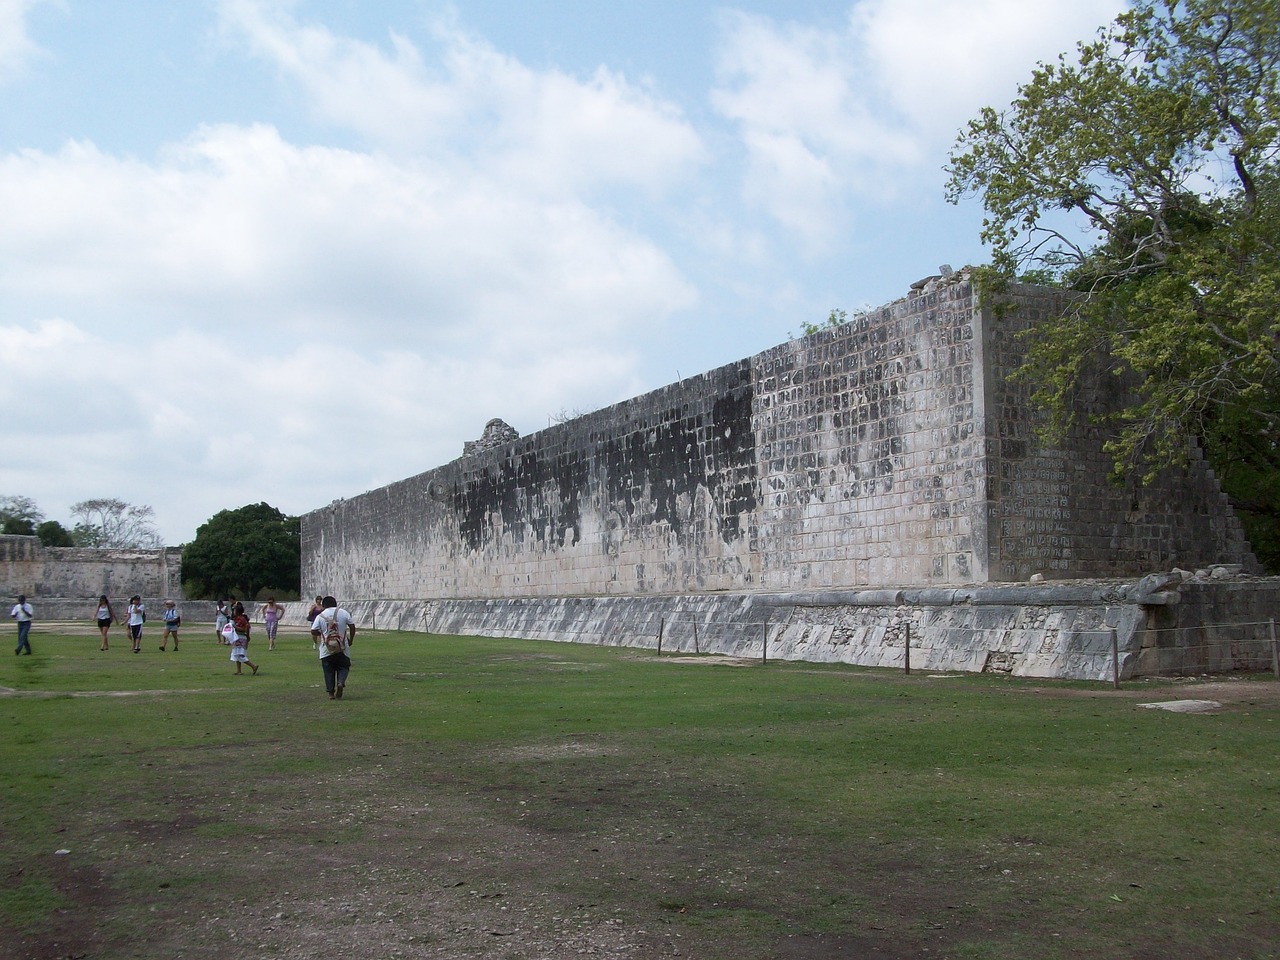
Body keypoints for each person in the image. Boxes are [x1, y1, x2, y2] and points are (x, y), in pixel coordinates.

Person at [310, 595, 355, 700]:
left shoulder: (321, 616)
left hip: (326, 647)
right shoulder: (343, 613)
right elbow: (352, 626)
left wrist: (322, 634)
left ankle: (331, 693)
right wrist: (351, 640)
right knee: (344, 666)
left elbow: (313, 630)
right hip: (342, 646)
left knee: (328, 670)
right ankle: (340, 682)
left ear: (324, 605)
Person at [228, 602, 258, 675]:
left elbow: (244, 629)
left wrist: (235, 627)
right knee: (237, 654)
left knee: (240, 655)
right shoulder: (236, 618)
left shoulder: (241, 619)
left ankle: (253, 666)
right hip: (237, 637)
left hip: (241, 638)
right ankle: (239, 670)